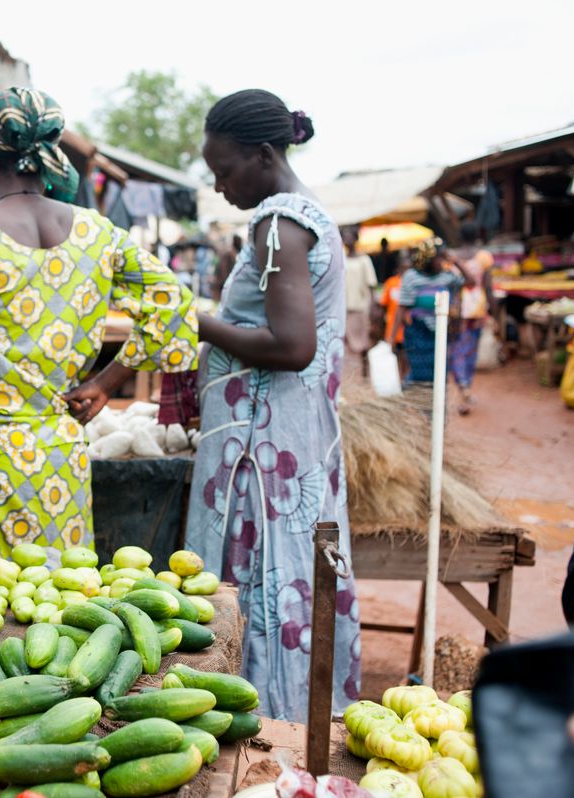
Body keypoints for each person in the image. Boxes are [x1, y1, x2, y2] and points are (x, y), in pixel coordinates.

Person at [0, 87, 198, 560]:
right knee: (57, 594)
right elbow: (174, 302)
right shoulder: (96, 232)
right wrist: (105, 382)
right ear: (49, 155)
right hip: (61, 457)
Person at [185, 89, 359, 722]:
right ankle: (289, 716)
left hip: (264, 457)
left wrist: (196, 322)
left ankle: (267, 723)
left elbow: (292, 345)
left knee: (263, 584)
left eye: (225, 170)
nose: (219, 184)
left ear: (263, 155)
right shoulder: (302, 216)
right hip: (286, 443)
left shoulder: (279, 224)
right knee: (285, 582)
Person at [390, 239, 463, 385]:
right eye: (439, 257)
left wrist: (456, 262)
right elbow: (402, 307)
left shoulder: (447, 276)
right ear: (428, 258)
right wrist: (392, 338)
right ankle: (420, 397)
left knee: (439, 371)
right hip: (418, 333)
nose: (442, 261)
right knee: (418, 374)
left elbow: (471, 281)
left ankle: (438, 398)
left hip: (441, 332)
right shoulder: (411, 277)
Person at [449, 243, 493, 414]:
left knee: (458, 350)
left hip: (457, 311)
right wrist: (493, 312)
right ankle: (465, 387)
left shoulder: (452, 257)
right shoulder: (483, 257)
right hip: (476, 309)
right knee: (470, 352)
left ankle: (463, 388)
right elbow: (488, 286)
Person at [342, 226, 377, 360]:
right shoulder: (342, 259)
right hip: (345, 308)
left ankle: (363, 369)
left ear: (356, 239)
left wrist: (373, 306)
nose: (347, 239)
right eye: (345, 237)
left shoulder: (364, 260)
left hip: (361, 308)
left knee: (362, 344)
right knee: (348, 345)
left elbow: (371, 284)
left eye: (349, 236)